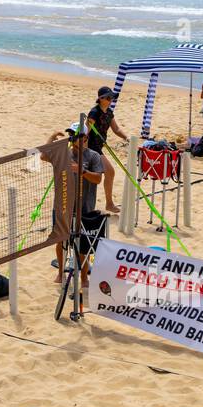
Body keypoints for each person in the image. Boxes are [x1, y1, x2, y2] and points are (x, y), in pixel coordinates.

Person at [47, 123, 103, 284]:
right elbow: (43, 155)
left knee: (83, 244)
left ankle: (84, 277)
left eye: (76, 134)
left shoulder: (93, 156)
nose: (72, 137)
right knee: (61, 239)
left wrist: (82, 171)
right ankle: (60, 273)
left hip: (84, 207)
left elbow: (98, 179)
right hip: (63, 206)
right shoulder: (64, 154)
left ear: (85, 138)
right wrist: (52, 137)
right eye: (71, 134)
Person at [86, 86, 129, 213]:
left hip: (99, 146)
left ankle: (108, 204)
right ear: (101, 98)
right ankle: (109, 204)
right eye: (109, 98)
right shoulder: (94, 112)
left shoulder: (109, 113)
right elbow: (86, 130)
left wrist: (126, 137)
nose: (111, 100)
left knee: (107, 173)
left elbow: (116, 129)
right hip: (91, 148)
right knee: (110, 171)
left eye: (112, 98)